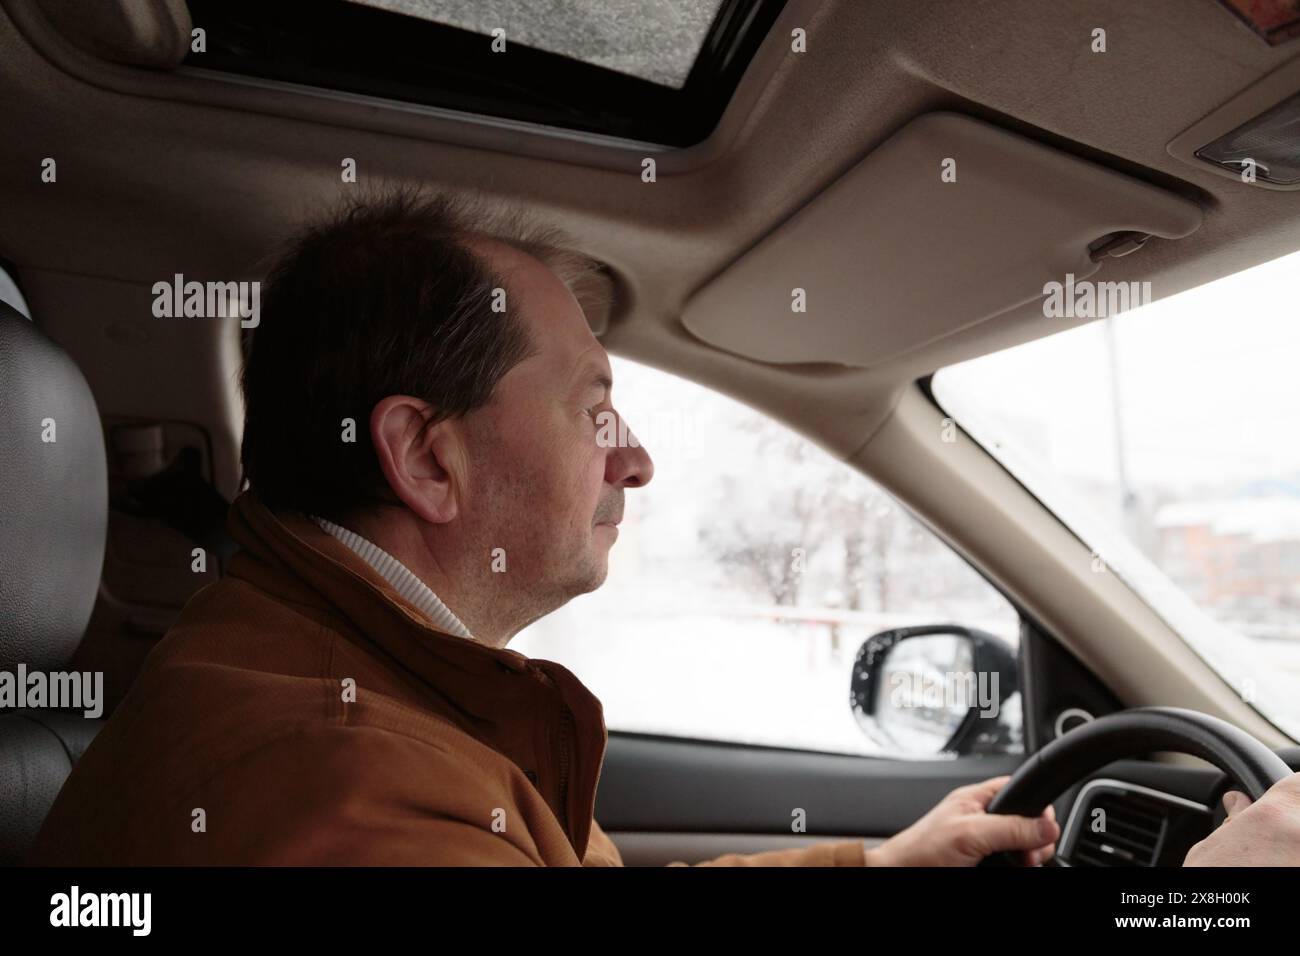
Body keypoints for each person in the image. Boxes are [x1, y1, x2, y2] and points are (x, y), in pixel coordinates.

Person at [28, 191, 1293, 866]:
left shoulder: (356, 686)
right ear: (425, 455)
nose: (632, 454)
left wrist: (880, 866)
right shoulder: (331, 782)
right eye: (594, 407)